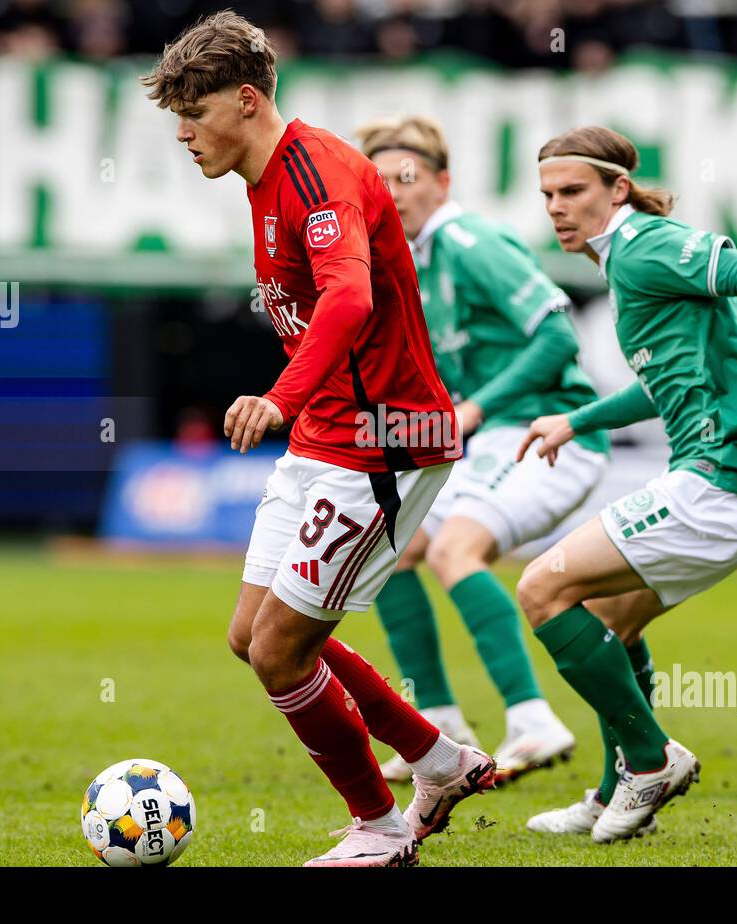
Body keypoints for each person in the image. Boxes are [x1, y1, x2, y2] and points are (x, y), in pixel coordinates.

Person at [142, 10, 495, 867]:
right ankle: (440, 761)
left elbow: (348, 300)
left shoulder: (318, 173)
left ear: (248, 99)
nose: (184, 134)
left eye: (195, 111)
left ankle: (379, 831)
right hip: (329, 437)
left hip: (384, 442)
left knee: (277, 651)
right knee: (251, 636)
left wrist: (281, 396)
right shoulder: (261, 181)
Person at [515, 125, 737, 842]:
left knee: (541, 589)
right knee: (610, 620)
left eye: (572, 191)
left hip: (727, 473)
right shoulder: (627, 266)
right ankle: (613, 791)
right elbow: (669, 386)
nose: (556, 208)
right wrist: (577, 420)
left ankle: (649, 760)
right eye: (548, 195)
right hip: (735, 476)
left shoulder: (648, 245)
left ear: (617, 189)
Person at [356, 114, 621, 785]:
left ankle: (533, 719)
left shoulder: (469, 240)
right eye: (378, 180)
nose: (391, 191)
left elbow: (559, 334)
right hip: (497, 439)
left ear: (441, 182)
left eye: (404, 177)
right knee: (390, 554)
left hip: (550, 430)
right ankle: (439, 726)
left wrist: (473, 408)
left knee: (453, 550)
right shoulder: (412, 262)